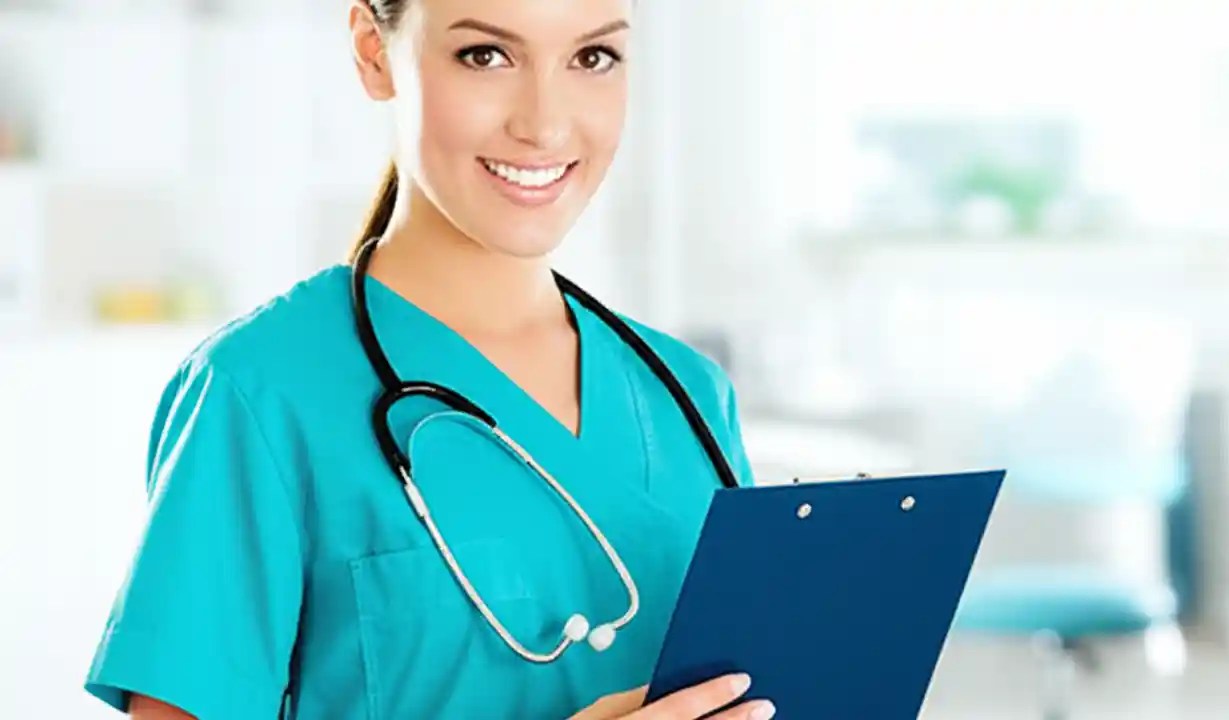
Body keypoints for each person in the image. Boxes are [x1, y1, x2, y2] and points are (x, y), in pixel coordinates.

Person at [82, 0, 776, 718]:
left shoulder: (689, 397)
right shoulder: (258, 395)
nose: (545, 122)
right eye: (485, 55)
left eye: (592, 57)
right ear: (373, 52)